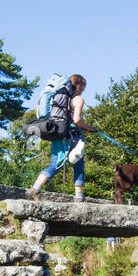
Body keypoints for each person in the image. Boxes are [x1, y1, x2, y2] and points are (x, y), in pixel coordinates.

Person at [27, 74, 95, 202]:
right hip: (72, 136)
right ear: (78, 85)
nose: (83, 90)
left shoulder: (57, 97)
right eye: (83, 88)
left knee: (54, 164)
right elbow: (77, 120)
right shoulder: (78, 99)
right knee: (79, 165)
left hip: (58, 132)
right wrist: (88, 127)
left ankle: (35, 189)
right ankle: (79, 197)